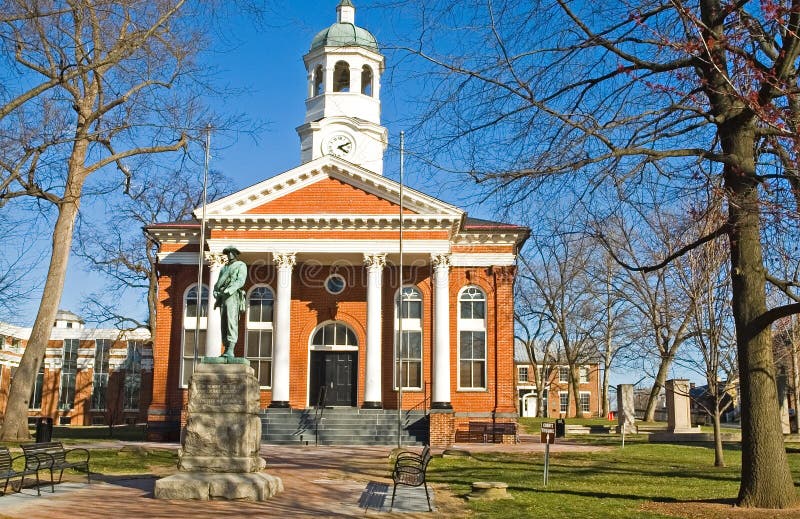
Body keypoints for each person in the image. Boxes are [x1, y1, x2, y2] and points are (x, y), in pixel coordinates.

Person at [214, 246, 247, 358]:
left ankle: (231, 349)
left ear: (235, 254)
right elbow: (218, 284)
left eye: (231, 253)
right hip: (223, 296)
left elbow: (240, 281)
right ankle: (226, 348)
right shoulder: (224, 268)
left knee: (231, 321)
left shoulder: (241, 265)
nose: (229, 255)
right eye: (228, 253)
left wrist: (230, 290)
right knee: (224, 323)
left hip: (232, 296)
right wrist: (216, 292)